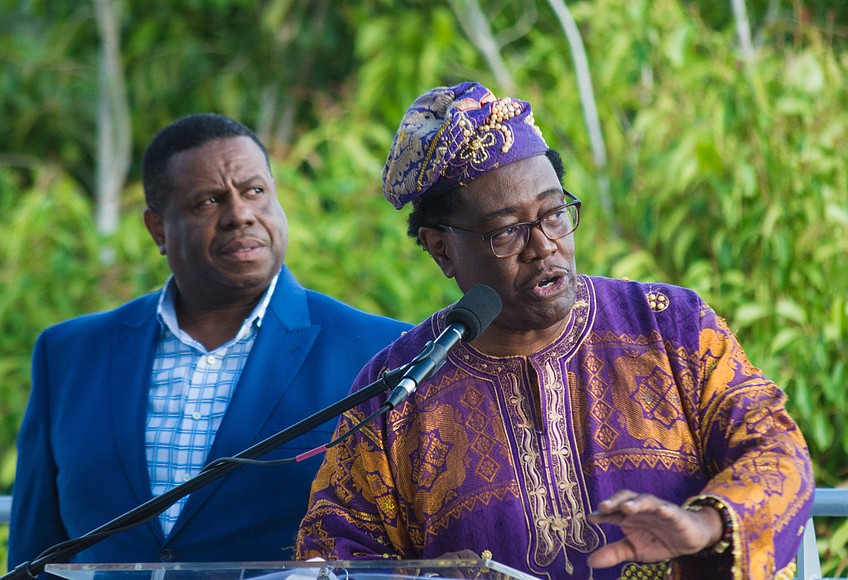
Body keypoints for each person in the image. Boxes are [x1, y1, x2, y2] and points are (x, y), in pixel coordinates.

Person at [295, 82, 814, 579]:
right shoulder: (398, 387)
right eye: (507, 231)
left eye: (554, 214)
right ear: (441, 249)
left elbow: (776, 450)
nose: (544, 246)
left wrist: (705, 525)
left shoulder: (669, 325)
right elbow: (335, 550)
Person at [8, 113, 411, 571]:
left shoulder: (381, 352)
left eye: (255, 191)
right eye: (208, 201)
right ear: (158, 229)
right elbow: (33, 553)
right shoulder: (68, 355)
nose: (240, 214)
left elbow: (401, 546)